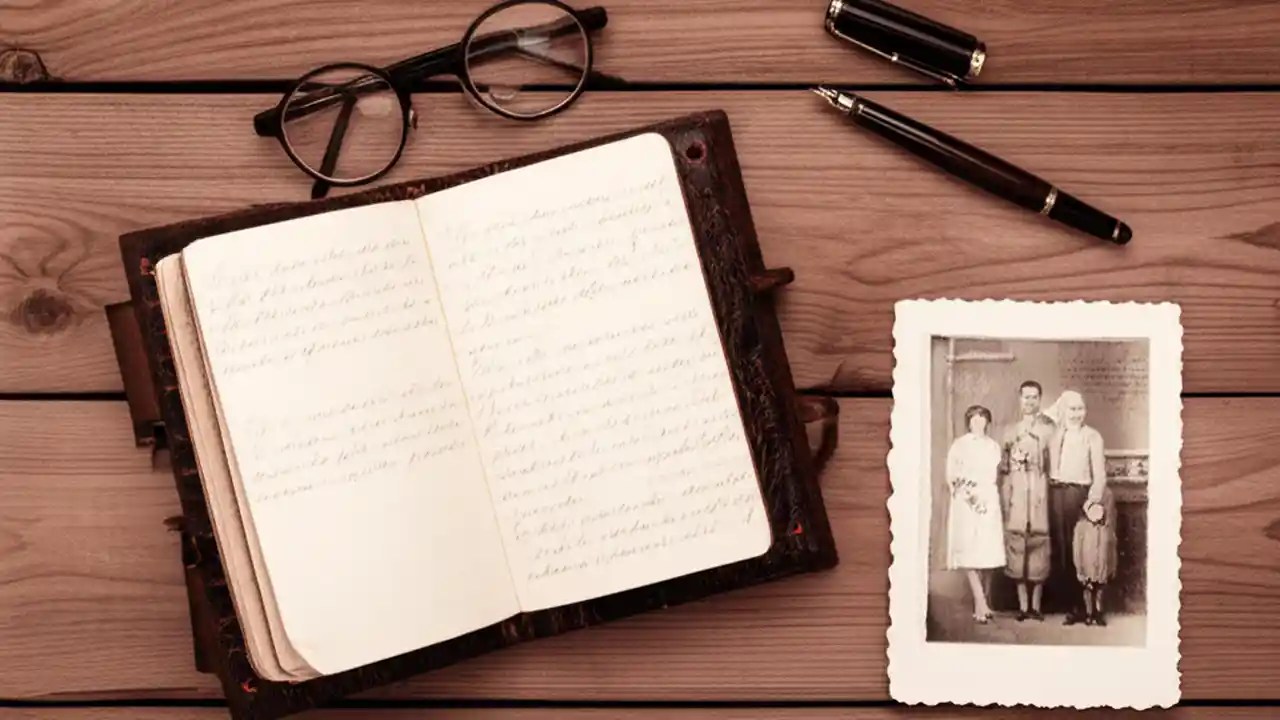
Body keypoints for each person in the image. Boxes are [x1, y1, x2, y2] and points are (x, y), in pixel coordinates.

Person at [1047, 390, 1118, 626]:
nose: (1076, 414)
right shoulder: (1055, 435)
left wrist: (1092, 501)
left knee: (1085, 551)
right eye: (1072, 409)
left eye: (1080, 409)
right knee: (1063, 550)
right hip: (1057, 494)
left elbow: (1099, 474)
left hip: (1081, 495)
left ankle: (1092, 609)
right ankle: (1073, 605)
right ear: (1063, 410)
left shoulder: (1092, 437)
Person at [944, 404, 1006, 623]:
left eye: (982, 418)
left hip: (988, 498)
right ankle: (980, 602)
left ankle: (984, 603)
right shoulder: (959, 445)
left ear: (988, 422)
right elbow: (952, 475)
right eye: (974, 419)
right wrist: (969, 495)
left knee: (988, 552)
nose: (978, 422)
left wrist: (986, 498)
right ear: (968, 422)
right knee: (969, 551)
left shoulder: (993, 447)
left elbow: (996, 476)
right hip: (966, 501)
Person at [999, 380, 1055, 621]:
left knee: (1039, 545)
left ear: (1040, 399)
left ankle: (1036, 606)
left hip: (1041, 491)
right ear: (1019, 399)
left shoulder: (1050, 430)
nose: (1030, 401)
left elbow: (1054, 465)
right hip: (1018, 491)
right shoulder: (1010, 431)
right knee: (1017, 545)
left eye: (1034, 397)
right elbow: (1004, 467)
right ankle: (1023, 607)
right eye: (1026, 397)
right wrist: (1007, 496)